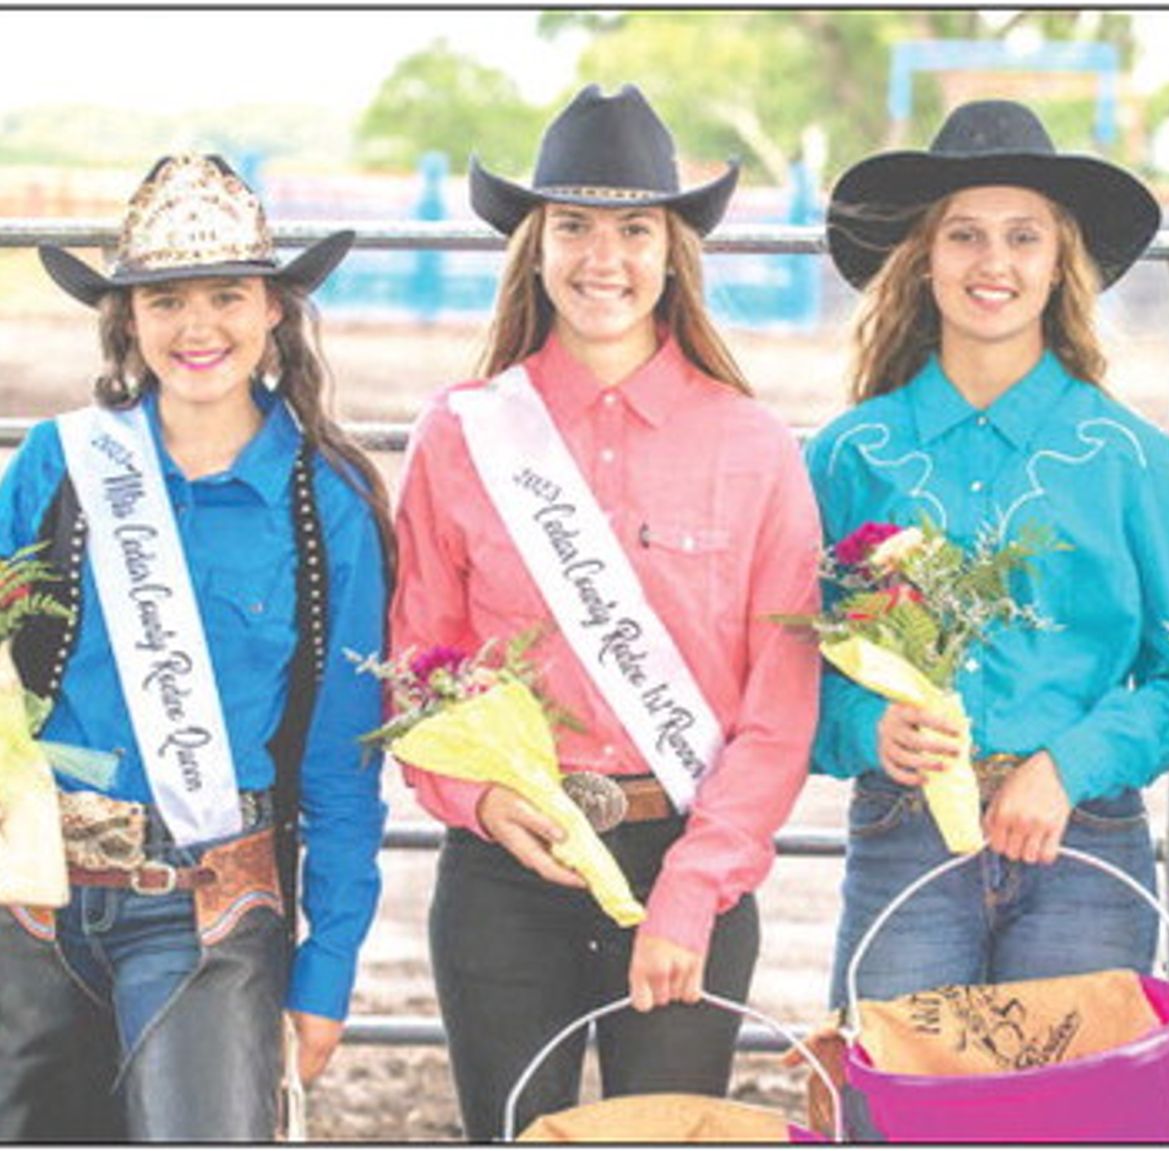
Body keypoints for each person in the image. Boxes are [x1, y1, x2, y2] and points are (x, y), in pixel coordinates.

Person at [389, 83, 821, 1139]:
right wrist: (482, 801)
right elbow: (416, 662)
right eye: (573, 226)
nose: (604, 257)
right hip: (509, 866)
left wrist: (692, 885)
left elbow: (780, 705)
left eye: (635, 228)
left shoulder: (753, 445)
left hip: (684, 858)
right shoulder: (462, 433)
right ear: (533, 246)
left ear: (675, 250)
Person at [0, 154, 392, 1139]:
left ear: (274, 310)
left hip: (210, 908)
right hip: (30, 898)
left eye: (227, 294)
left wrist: (328, 968)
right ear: (126, 317)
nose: (197, 326)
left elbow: (346, 762)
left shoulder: (324, 505)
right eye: (165, 298)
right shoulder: (58, 464)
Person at [807, 99, 1169, 1012]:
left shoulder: (1130, 460)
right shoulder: (848, 456)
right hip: (903, 825)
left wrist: (1070, 763)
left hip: (1083, 833)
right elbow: (789, 663)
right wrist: (862, 728)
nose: (993, 263)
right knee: (894, 1102)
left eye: (1024, 237)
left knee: (1070, 1103)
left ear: (1059, 263)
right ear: (923, 260)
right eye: (964, 235)